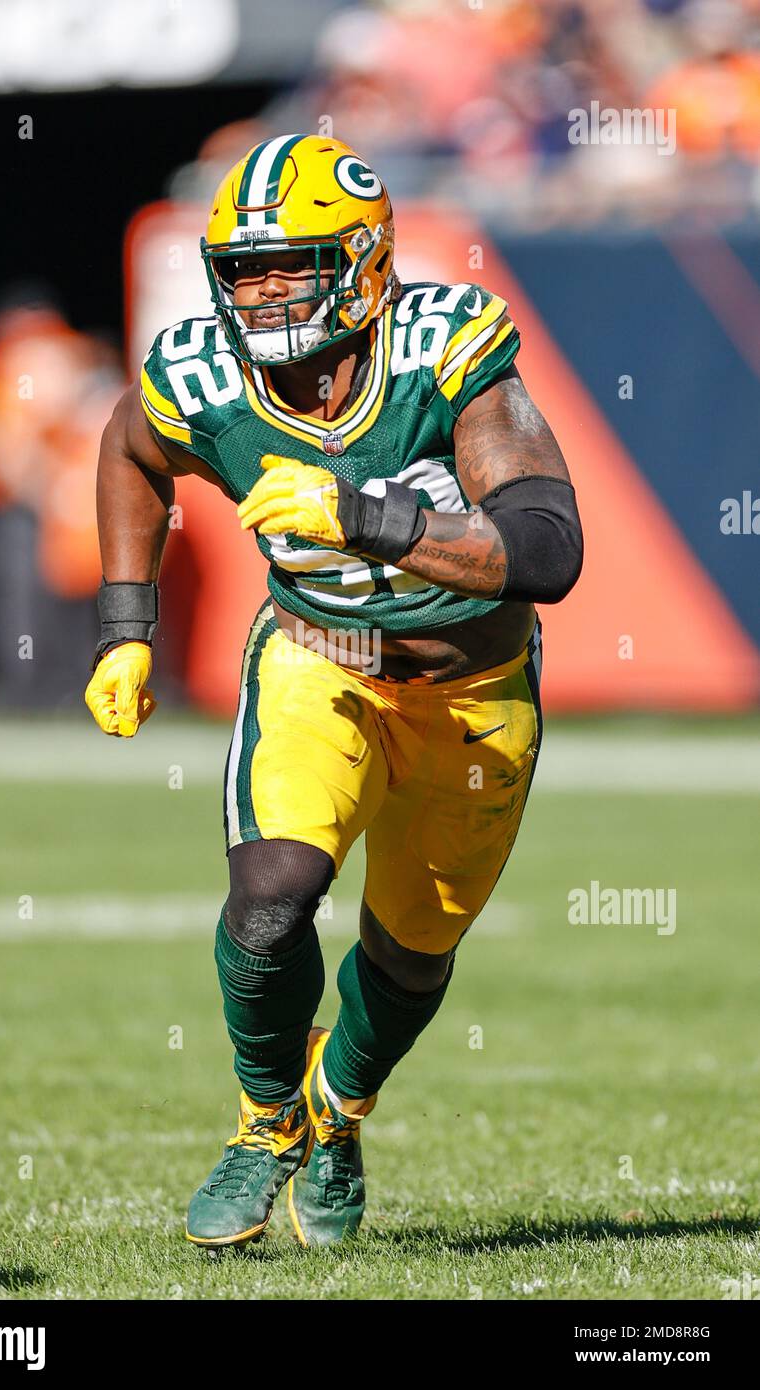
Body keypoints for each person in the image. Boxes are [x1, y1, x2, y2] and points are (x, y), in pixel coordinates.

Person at [85, 134, 583, 1249]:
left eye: (288, 263)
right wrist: (126, 628)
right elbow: (130, 449)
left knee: (408, 952)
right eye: (242, 268)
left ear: (361, 260)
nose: (259, 292)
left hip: (473, 687)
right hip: (316, 660)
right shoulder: (204, 374)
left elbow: (545, 546)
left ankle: (337, 1111)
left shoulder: (443, 350)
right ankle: (266, 1119)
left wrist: (363, 513)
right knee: (269, 902)